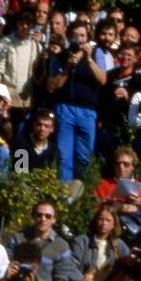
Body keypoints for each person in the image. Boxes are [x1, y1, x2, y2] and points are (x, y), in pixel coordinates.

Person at [45, 20, 107, 182]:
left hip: (87, 111)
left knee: (84, 157)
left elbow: (102, 79)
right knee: (64, 157)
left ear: (87, 37)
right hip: (64, 109)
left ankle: (82, 194)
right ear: (68, 36)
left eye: (82, 36)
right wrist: (67, 68)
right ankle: (65, 197)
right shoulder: (60, 56)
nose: (79, 39)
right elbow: (51, 86)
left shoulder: (96, 53)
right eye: (75, 36)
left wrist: (89, 59)